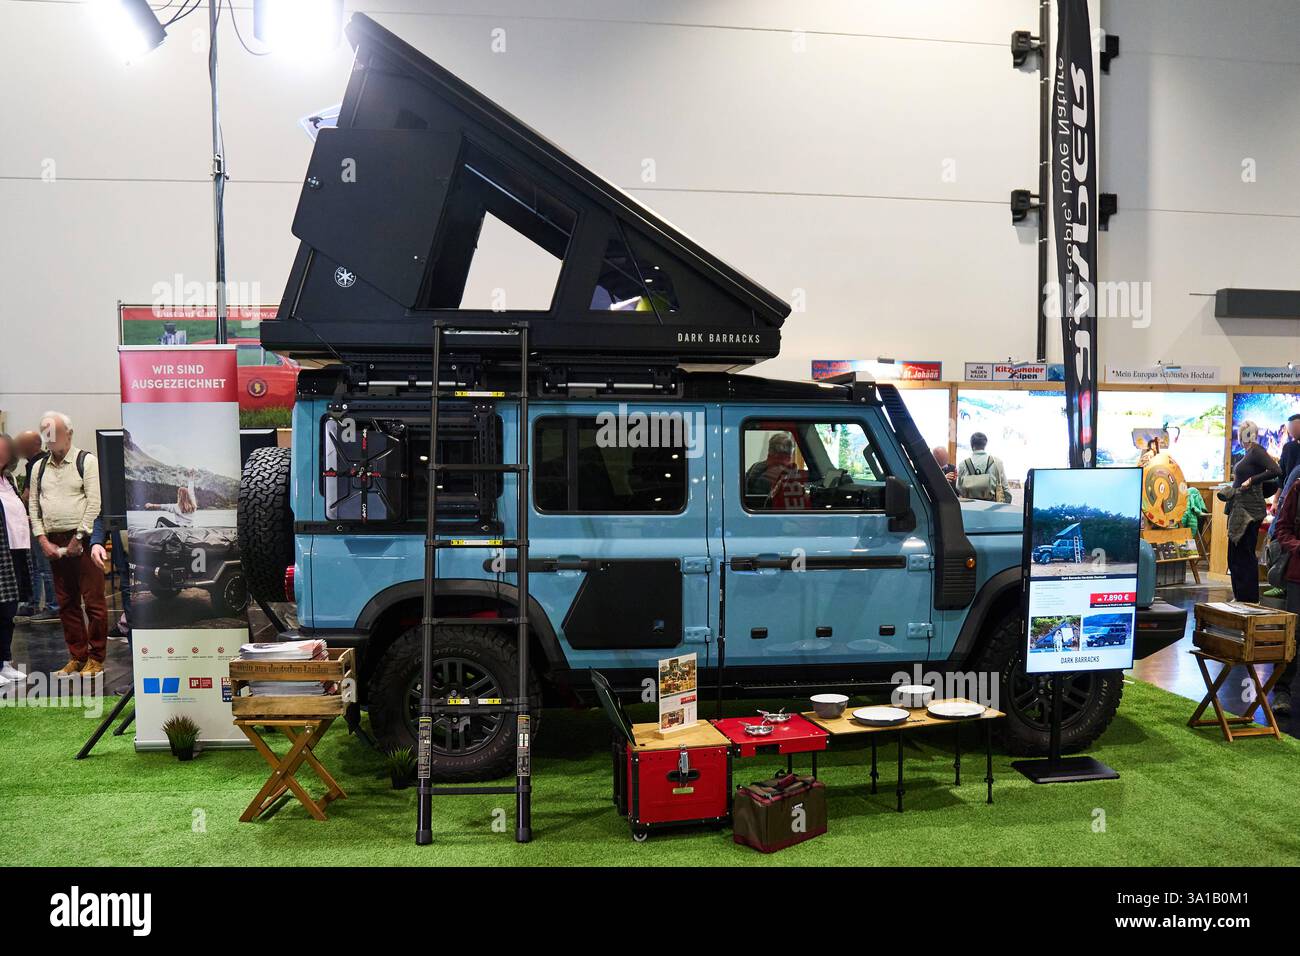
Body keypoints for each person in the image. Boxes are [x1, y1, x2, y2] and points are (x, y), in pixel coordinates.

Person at [27, 411, 107, 679]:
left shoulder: (86, 461)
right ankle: (77, 656)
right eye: (46, 435)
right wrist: (42, 539)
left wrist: (80, 537)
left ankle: (96, 658)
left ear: (69, 434)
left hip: (80, 539)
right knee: (66, 603)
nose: (51, 441)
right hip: (53, 540)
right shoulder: (38, 467)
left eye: (56, 434)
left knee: (94, 602)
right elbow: (34, 505)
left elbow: (95, 503)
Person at [1222, 420, 1280, 604]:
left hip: (1249, 511)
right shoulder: (1248, 453)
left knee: (1244, 554)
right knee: (1235, 555)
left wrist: (1252, 480)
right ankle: (1240, 595)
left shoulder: (1257, 451)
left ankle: (1248, 597)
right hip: (1239, 508)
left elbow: (1276, 470)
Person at [15, 429, 58, 622]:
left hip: (40, 522)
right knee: (36, 565)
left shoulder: (36, 464)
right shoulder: (43, 461)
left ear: (32, 445)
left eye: (20, 444)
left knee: (42, 566)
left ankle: (53, 606)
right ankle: (35, 604)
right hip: (42, 520)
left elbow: (28, 495)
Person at [0, 434, 32, 688]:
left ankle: (5, 662)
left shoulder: (8, 479)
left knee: (9, 610)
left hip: (14, 551)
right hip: (2, 552)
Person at [1268, 477, 1300, 715]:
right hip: (1297, 575)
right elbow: (1282, 528)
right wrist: (1297, 546)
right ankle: (1282, 690)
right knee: (1293, 634)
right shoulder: (1298, 488)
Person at [956, 433, 1009, 502]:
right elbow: (1005, 488)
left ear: (972, 445)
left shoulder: (963, 464)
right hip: (992, 507)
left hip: (970, 507)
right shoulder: (997, 462)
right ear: (985, 444)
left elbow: (959, 487)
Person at [1279, 414, 1300, 483]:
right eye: (1290, 427)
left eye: (1295, 427)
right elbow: (1282, 474)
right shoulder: (1287, 447)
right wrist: (1279, 493)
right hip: (1289, 490)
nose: (1292, 430)